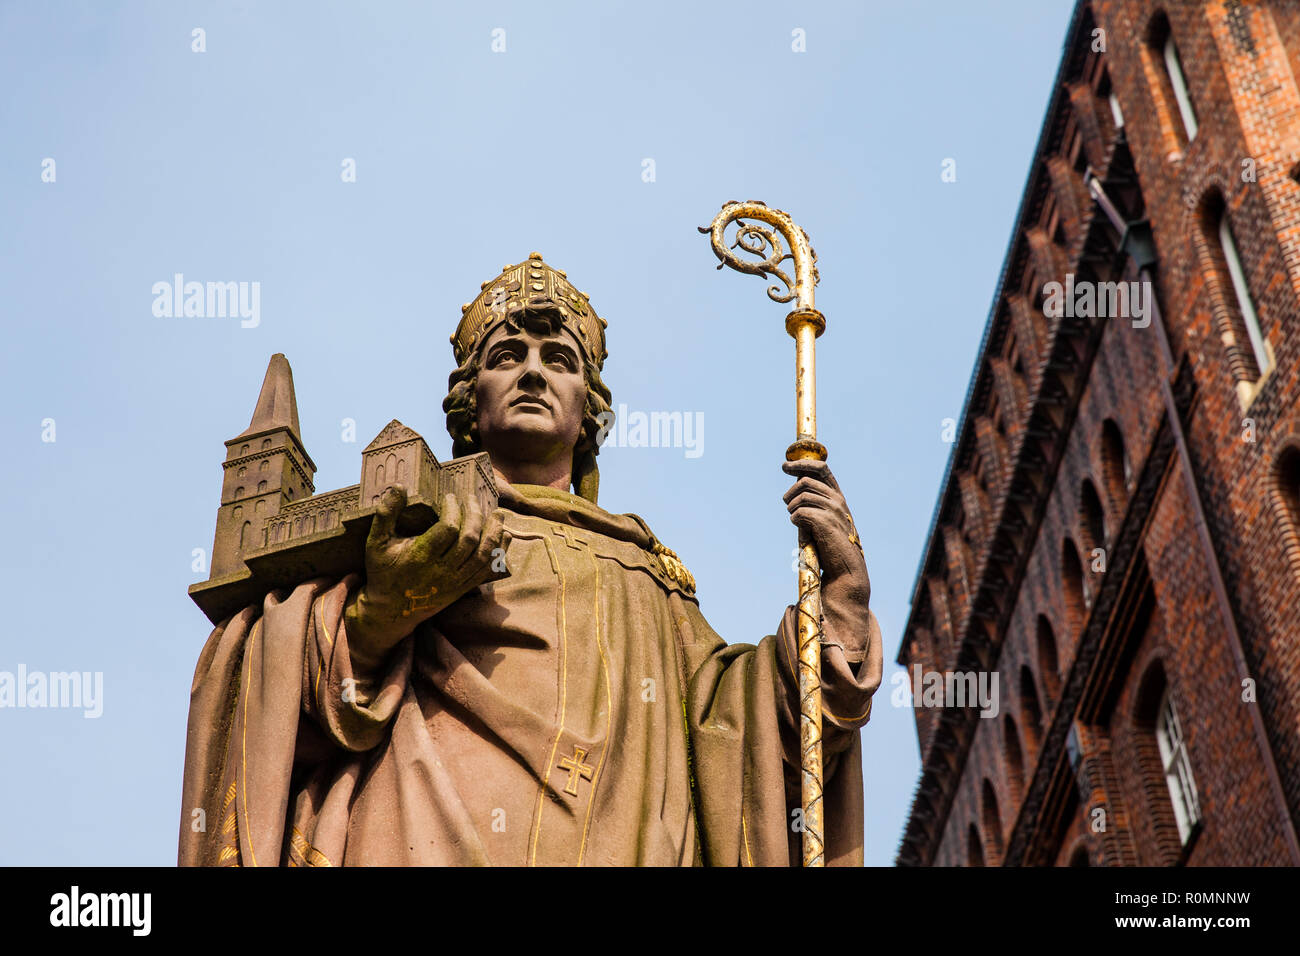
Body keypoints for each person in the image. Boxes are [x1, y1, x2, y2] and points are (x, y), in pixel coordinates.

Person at [179, 252, 882, 866]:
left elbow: (741, 731)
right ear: (469, 404)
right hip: (411, 831)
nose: (534, 374)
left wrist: (839, 603)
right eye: (507, 356)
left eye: (560, 360)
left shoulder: (642, 575)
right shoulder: (413, 531)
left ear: (588, 413)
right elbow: (260, 681)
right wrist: (377, 616)